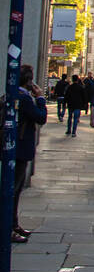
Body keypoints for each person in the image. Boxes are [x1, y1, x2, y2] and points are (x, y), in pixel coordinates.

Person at [12, 65, 47, 243]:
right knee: (14, 189)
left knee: (15, 189)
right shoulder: (24, 99)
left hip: (14, 147)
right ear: (28, 81)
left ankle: (13, 224)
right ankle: (10, 227)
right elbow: (41, 117)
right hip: (21, 146)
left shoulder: (12, 95)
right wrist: (40, 98)